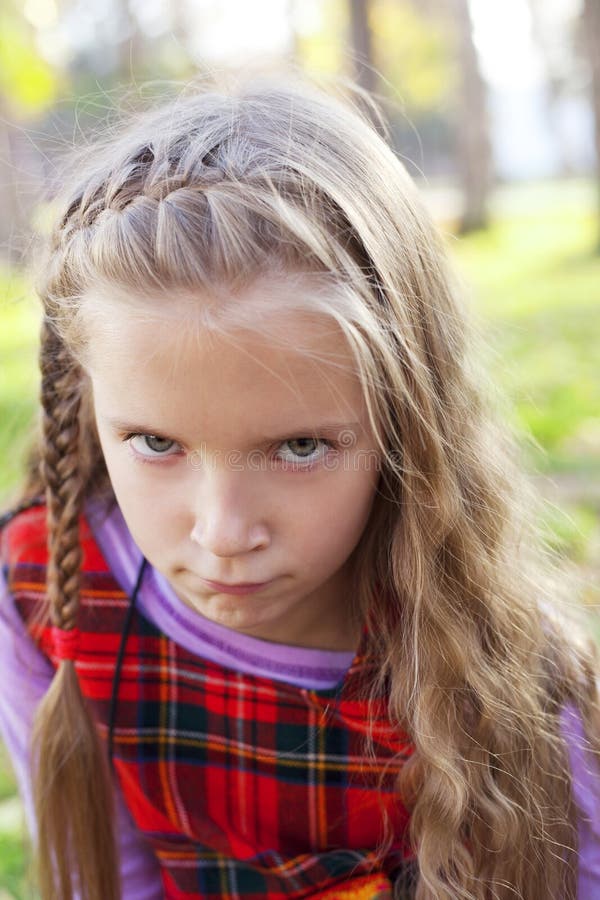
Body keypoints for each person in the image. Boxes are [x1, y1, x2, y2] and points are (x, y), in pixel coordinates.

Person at [0, 69, 599, 900]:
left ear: (406, 423)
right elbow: (107, 877)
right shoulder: (51, 593)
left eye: (301, 446)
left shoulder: (487, 658)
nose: (223, 531)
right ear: (84, 401)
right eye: (155, 442)